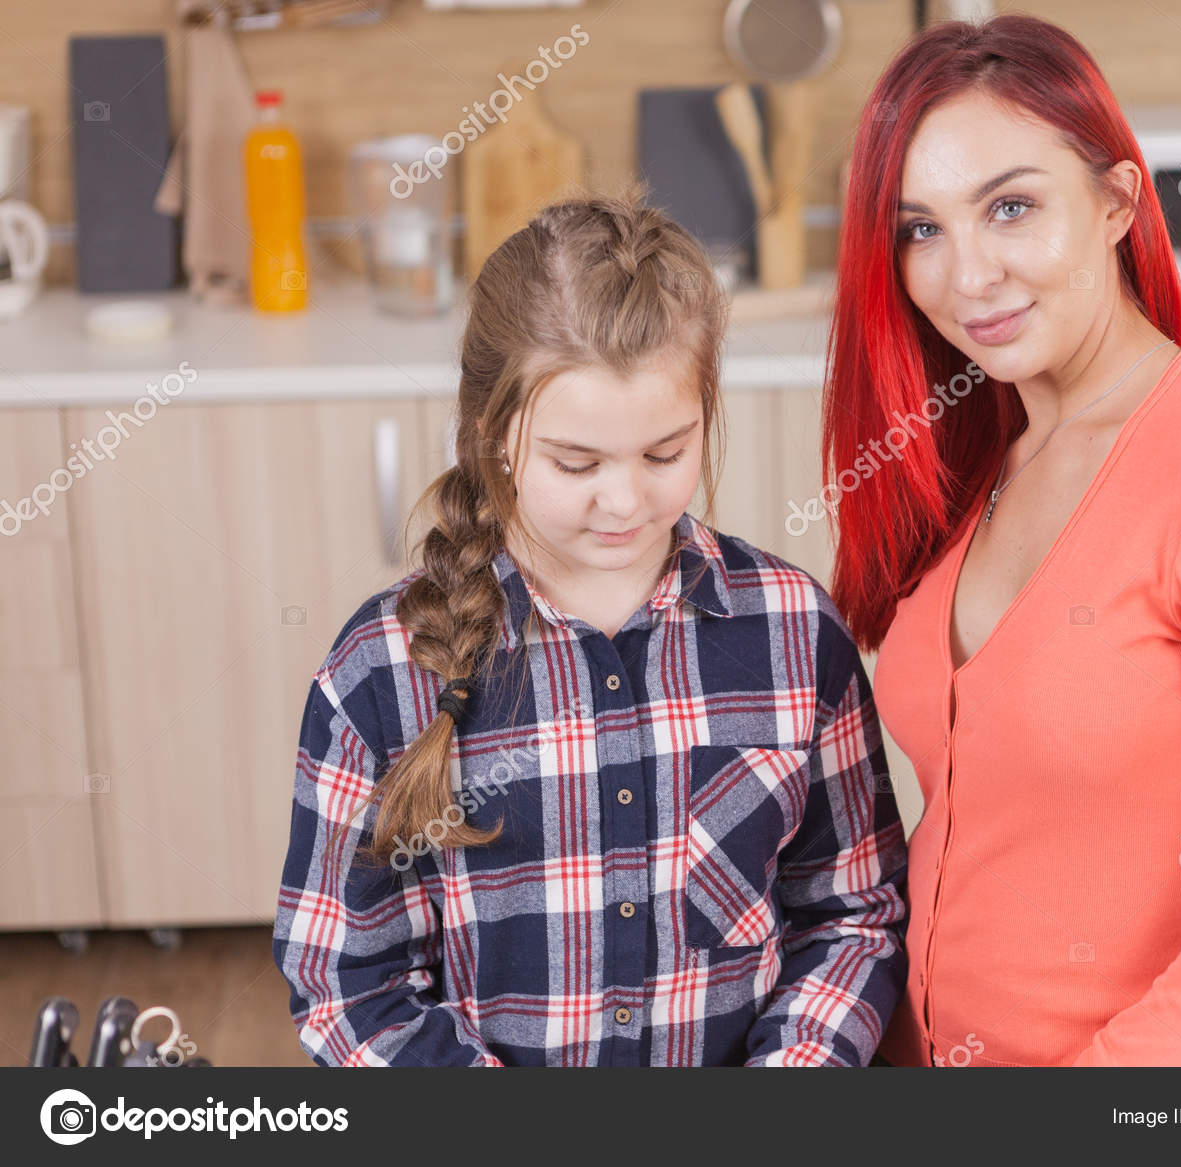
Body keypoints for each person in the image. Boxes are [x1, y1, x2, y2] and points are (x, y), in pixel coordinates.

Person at [824, 15, 1181, 1067]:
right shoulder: (978, 450)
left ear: (1117, 201)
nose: (967, 274)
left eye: (1011, 208)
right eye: (921, 229)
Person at [273, 189, 908, 1066]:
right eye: (577, 462)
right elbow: (348, 989)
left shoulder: (794, 636)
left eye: (665, 453)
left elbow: (852, 914)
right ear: (494, 434)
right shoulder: (380, 674)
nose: (625, 501)